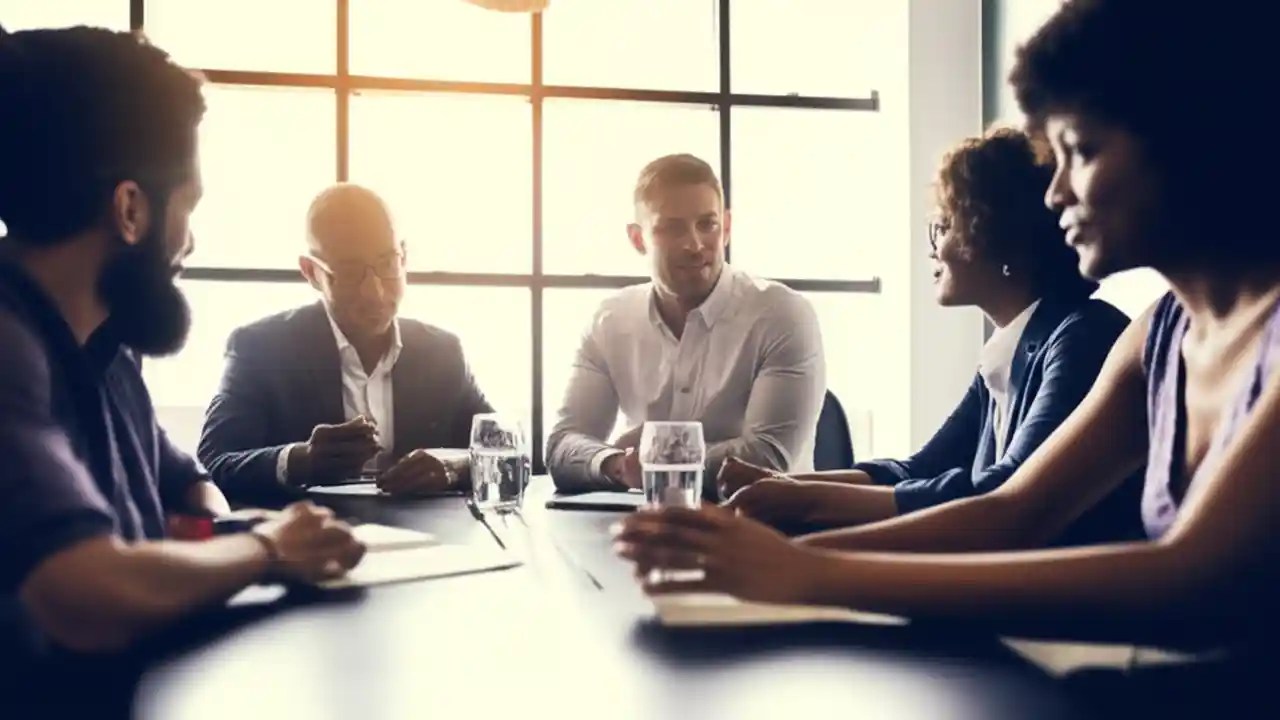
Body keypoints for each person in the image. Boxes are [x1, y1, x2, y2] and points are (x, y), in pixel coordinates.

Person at [613, 0, 1280, 663]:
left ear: (1187, 136)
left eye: (1082, 151)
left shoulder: (1113, 336)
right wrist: (780, 555)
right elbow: (1013, 510)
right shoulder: (1156, 334)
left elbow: (1189, 583)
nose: (1056, 195)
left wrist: (809, 570)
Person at [0, 26, 365, 665]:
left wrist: (217, 525)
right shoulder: (9, 345)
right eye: (187, 208)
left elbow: (181, 476)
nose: (188, 243)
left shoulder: (105, 345)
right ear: (131, 211)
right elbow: (80, 598)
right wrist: (269, 549)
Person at [720, 129, 1142, 544]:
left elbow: (996, 494)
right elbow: (920, 469)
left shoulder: (1081, 339)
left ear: (998, 238)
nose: (933, 247)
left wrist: (805, 501)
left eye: (944, 226)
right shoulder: (1018, 347)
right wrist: (784, 487)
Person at [546, 153, 825, 495]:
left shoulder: (783, 315)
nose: (695, 245)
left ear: (726, 227)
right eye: (673, 228)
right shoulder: (610, 322)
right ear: (637, 239)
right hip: (644, 530)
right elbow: (562, 447)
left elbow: (765, 459)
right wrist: (617, 465)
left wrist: (652, 457)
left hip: (768, 530)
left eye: (707, 225)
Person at [199, 183, 494, 500]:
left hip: (433, 542)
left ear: (404, 256)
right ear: (311, 272)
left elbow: (506, 452)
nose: (375, 292)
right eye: (351, 272)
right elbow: (215, 462)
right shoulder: (261, 348)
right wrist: (302, 461)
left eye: (387, 264)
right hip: (309, 540)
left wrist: (455, 469)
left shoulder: (441, 352)